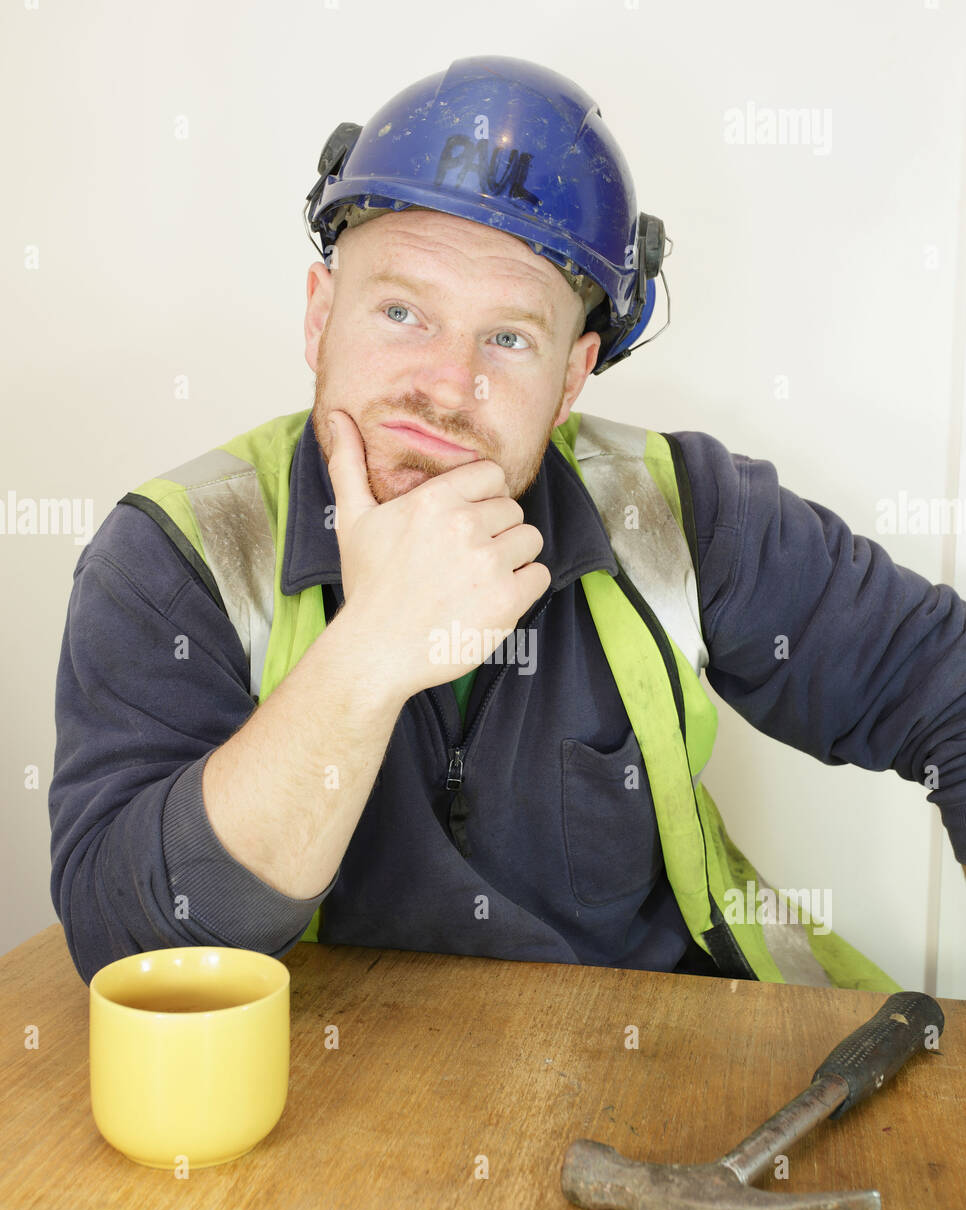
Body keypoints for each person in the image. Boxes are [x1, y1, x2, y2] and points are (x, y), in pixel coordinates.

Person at [49, 55, 966, 991]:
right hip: (332, 1105)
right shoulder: (179, 557)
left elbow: (952, 687)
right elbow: (134, 952)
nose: (449, 386)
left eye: (510, 339)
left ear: (572, 378)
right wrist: (368, 655)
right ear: (321, 317)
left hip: (668, 1073)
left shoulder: (681, 515)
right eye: (403, 310)